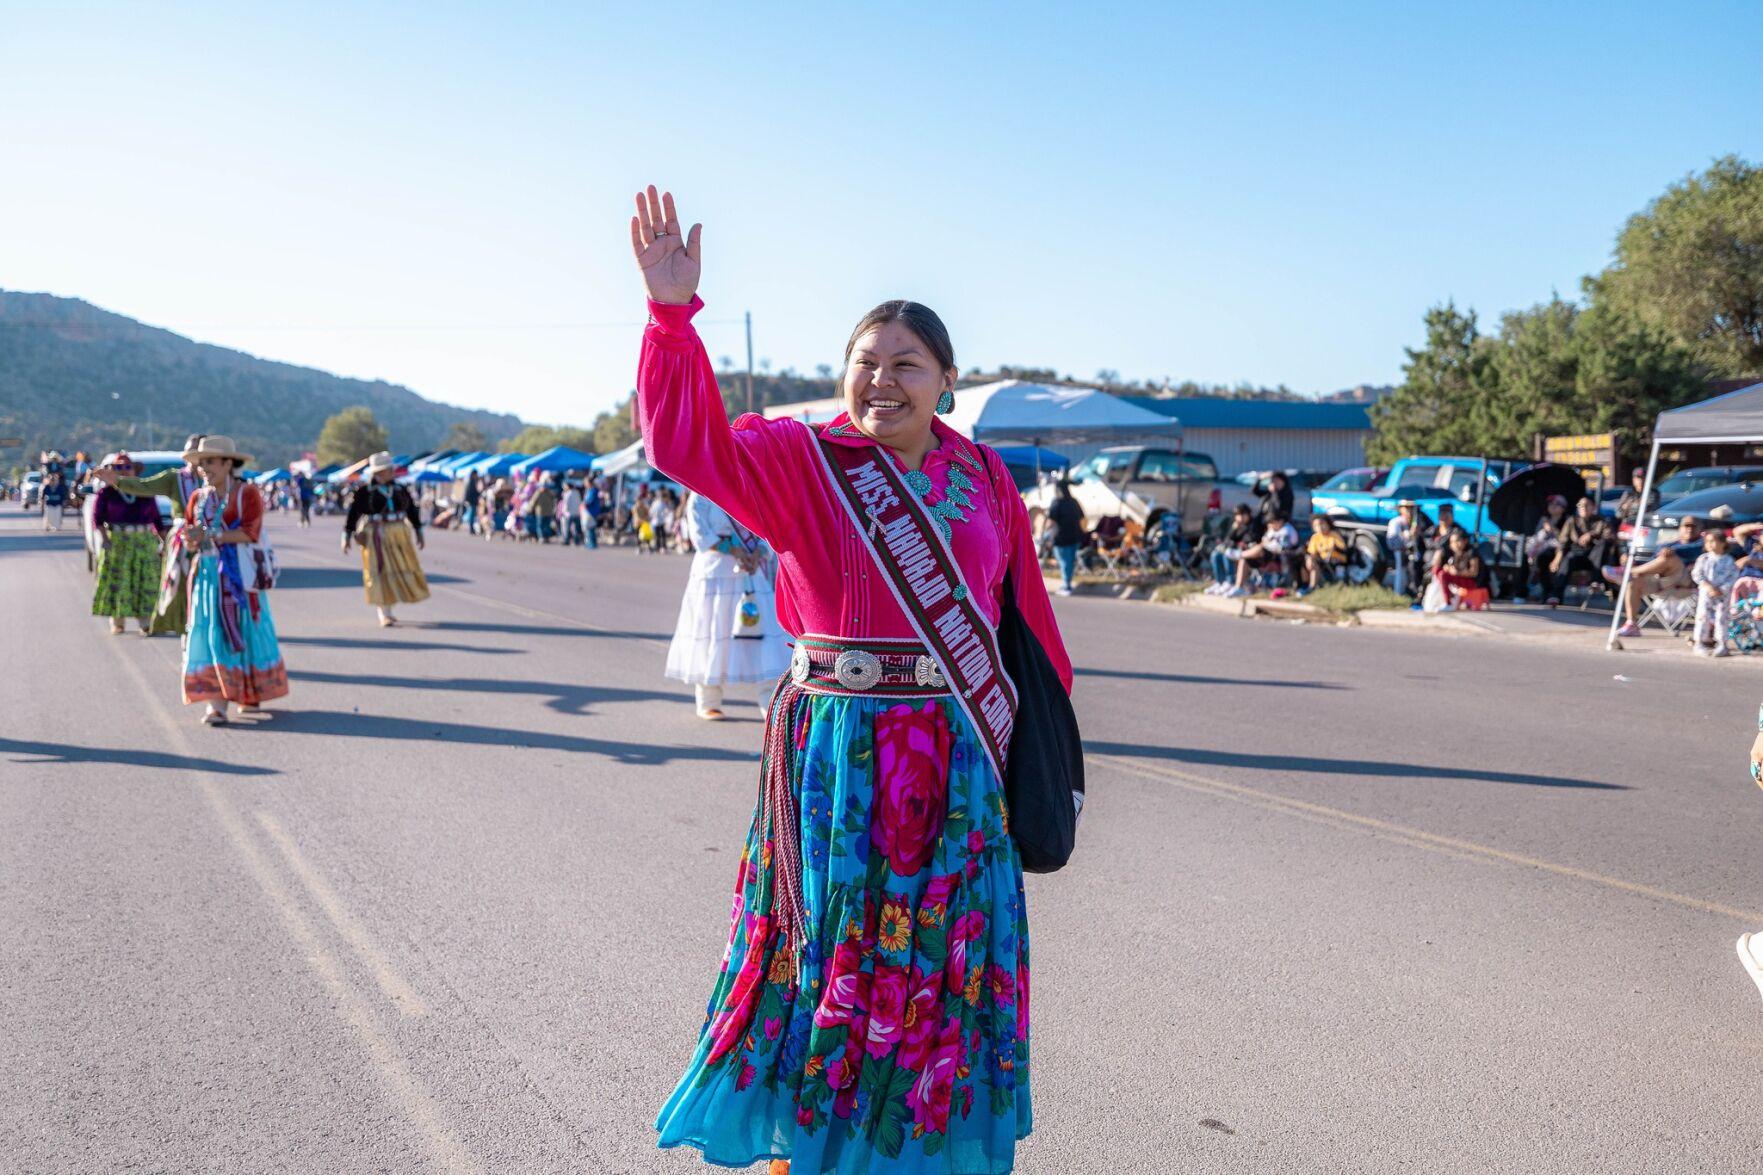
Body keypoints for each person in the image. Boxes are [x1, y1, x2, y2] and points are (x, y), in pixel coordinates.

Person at [632, 187, 1071, 1175]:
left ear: (946, 381)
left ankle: (910, 1139)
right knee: (830, 947)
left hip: (953, 761)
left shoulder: (985, 478)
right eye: (863, 364)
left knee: (934, 959)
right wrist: (671, 316)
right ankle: (809, 1136)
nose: (881, 382)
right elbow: (682, 442)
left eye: (905, 366)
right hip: (838, 754)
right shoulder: (799, 458)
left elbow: (1023, 624)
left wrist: (1045, 754)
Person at [179, 436, 288, 726]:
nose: (205, 468)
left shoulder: (247, 494)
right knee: (213, 632)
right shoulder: (197, 498)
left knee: (246, 630)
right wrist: (190, 541)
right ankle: (217, 703)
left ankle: (248, 692)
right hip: (208, 575)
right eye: (202, 464)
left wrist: (209, 536)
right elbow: (193, 537)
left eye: (211, 462)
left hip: (239, 578)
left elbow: (251, 532)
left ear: (229, 463)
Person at [666, 490, 792, 718]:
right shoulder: (700, 496)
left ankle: (770, 700)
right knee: (713, 632)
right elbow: (700, 536)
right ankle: (708, 699)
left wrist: (759, 554)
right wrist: (734, 550)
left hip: (751, 573)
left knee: (763, 635)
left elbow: (767, 530)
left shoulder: (748, 489)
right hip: (715, 576)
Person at [342, 451, 430, 627]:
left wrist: (419, 531)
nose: (391, 472)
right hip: (376, 535)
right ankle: (384, 612)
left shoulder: (399, 490)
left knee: (399, 570)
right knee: (380, 571)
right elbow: (353, 515)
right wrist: (346, 536)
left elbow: (411, 510)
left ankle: (389, 607)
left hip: (398, 536)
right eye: (387, 469)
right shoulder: (364, 492)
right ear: (378, 472)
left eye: (390, 469)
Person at [89, 453, 166, 634]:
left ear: (134, 471)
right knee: (119, 580)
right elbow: (97, 519)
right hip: (118, 542)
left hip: (143, 542)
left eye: (126, 467)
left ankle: (145, 621)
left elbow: (157, 519)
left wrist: (165, 542)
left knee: (145, 580)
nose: (123, 471)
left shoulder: (145, 492)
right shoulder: (107, 493)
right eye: (118, 468)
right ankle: (117, 621)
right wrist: (105, 540)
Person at [1604, 517, 1702, 638]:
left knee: (1670, 557)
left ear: (1700, 530)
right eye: (1686, 526)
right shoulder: (1668, 544)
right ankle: (1631, 624)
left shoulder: (1701, 544)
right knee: (1633, 581)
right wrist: (1634, 563)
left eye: (1693, 526)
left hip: (1685, 584)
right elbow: (1653, 561)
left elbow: (1690, 550)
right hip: (1661, 582)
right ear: (1680, 529)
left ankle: (1627, 572)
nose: (1689, 529)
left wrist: (1670, 551)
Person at [1546, 496, 1616, 605]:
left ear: (1593, 507)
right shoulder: (1572, 521)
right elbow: (1563, 543)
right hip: (1578, 554)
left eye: (1586, 505)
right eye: (1580, 505)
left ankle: (1596, 581)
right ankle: (1556, 595)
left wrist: (1591, 535)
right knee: (1567, 560)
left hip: (1596, 557)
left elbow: (1610, 538)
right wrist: (1557, 559)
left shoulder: (1602, 521)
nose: (1583, 508)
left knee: (1603, 544)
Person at [1227, 509, 1298, 597]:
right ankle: (1239, 587)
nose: (1270, 525)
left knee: (1260, 548)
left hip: (1280, 559)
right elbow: (1264, 541)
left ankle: (1239, 554)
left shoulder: (1287, 530)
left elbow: (1281, 548)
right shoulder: (1272, 530)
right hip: (1266, 556)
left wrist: (1265, 544)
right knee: (1245, 560)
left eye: (1272, 523)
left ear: (1280, 521)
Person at [1691, 528, 1740, 657]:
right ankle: (1699, 642)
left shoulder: (1728, 560)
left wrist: (1722, 589)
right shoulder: (1704, 559)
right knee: (1703, 616)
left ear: (1723, 543)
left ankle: (1722, 643)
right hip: (1706, 593)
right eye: (1707, 541)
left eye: (1713, 541)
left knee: (1721, 618)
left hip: (1722, 595)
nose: (1709, 544)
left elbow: (1733, 576)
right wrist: (1707, 586)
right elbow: (1697, 574)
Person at [1206, 503, 1263, 593]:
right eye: (1238, 515)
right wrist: (1234, 529)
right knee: (1215, 555)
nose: (1240, 518)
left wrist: (1237, 545)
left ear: (1248, 514)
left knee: (1228, 555)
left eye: (1243, 515)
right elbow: (1228, 540)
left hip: (1248, 552)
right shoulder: (1238, 525)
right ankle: (1220, 582)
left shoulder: (1254, 525)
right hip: (1236, 551)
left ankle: (1230, 582)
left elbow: (1250, 540)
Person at [1046, 476, 1085, 596]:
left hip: (1060, 537)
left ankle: (1066, 586)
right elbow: (1082, 518)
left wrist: (1044, 533)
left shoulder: (1056, 503)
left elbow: (1050, 522)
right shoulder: (1074, 502)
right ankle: (1067, 583)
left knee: (1064, 562)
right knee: (1070, 562)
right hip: (1075, 535)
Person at [1526, 494, 1569, 601]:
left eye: (1557, 504)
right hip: (1543, 549)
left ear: (1563, 508)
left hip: (1561, 549)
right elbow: (1537, 537)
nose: (1553, 506)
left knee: (1557, 563)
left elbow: (1564, 539)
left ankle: (1555, 593)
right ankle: (1543, 590)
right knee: (1539, 559)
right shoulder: (1544, 519)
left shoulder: (1567, 520)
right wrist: (1544, 529)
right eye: (1550, 504)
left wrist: (1552, 529)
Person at [1432, 527, 1484, 610]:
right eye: (1451, 542)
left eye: (1457, 541)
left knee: (1443, 575)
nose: (1454, 544)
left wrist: (1457, 573)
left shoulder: (1472, 552)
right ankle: (1443, 598)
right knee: (1437, 570)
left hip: (1472, 582)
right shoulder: (1455, 553)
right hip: (1460, 580)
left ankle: (1448, 603)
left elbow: (1474, 572)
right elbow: (1439, 565)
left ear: (1465, 541)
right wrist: (1448, 568)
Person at [1386, 500, 1430, 597]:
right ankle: (1403, 592)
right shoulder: (1396, 522)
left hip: (1417, 553)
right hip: (1401, 553)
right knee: (1410, 566)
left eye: (1411, 508)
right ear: (1400, 509)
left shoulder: (1419, 520)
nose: (1409, 511)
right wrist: (1410, 535)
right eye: (1407, 508)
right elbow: (1393, 542)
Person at [1299, 514, 1348, 595]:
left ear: (1328, 524)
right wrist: (1310, 559)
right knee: (1305, 561)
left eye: (1322, 524)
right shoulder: (1315, 537)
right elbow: (1312, 552)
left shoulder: (1333, 535)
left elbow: (1343, 549)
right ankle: (1305, 584)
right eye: (1316, 525)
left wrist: (1334, 548)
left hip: (1336, 560)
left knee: (1315, 562)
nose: (1320, 527)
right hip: (1323, 561)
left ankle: (1312, 587)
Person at [560, 477, 585, 546]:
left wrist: (564, 512)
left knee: (567, 528)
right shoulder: (577, 493)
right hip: (577, 513)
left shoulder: (567, 494)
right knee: (576, 528)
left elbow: (566, 504)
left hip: (569, 513)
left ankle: (567, 540)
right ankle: (577, 541)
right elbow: (580, 502)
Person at [462, 469, 483, 536]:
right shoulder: (472, 482)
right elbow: (473, 492)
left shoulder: (471, 481)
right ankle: (471, 529)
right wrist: (479, 493)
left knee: (472, 515)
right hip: (472, 501)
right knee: (472, 515)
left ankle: (472, 529)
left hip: (471, 501)